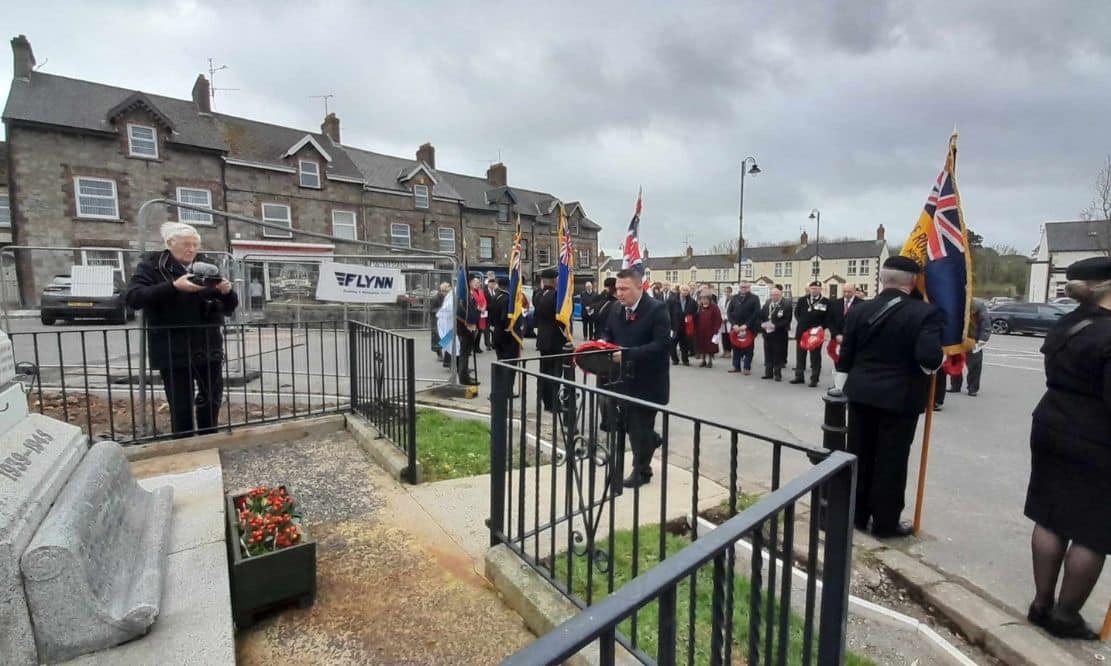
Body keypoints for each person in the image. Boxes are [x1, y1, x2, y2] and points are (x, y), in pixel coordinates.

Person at [1024, 257, 1111, 640]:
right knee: (1092, 529)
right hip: (1096, 434)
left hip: (1051, 422)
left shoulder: (1066, 322)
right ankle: (1065, 615)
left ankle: (1041, 603)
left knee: (1051, 515)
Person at [837, 256, 943, 538]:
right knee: (891, 462)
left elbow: (845, 356)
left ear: (883, 279)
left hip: (860, 393)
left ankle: (857, 515)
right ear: (913, 281)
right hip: (900, 398)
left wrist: (841, 387)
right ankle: (885, 523)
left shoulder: (860, 310)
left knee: (859, 454)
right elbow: (929, 360)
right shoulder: (925, 313)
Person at [126, 222, 238, 438]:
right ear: (169, 244)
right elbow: (134, 298)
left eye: (195, 244)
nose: (192, 249)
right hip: (172, 347)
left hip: (208, 344)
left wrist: (227, 292)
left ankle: (209, 437)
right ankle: (184, 442)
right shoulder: (152, 266)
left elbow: (230, 307)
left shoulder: (207, 265)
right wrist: (174, 286)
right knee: (180, 402)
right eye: (186, 244)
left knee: (212, 396)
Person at [597, 269, 670, 488]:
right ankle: (652, 440)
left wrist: (628, 354)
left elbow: (661, 345)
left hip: (647, 381)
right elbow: (607, 333)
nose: (619, 293)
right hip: (620, 380)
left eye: (624, 289)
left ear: (640, 287)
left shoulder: (657, 309)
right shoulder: (616, 309)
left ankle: (642, 472)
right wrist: (601, 344)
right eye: (617, 289)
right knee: (629, 424)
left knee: (639, 427)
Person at [534, 268, 564, 410]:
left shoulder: (537, 294)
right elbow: (561, 318)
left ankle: (544, 400)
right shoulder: (556, 296)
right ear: (554, 280)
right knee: (555, 373)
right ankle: (553, 403)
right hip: (555, 339)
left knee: (544, 371)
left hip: (543, 338)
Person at [948, 297, 991, 396]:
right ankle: (955, 385)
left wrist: (982, 339)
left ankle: (972, 388)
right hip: (956, 338)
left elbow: (985, 323)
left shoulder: (978, 305)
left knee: (974, 365)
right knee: (955, 363)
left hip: (972, 339)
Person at [792, 281, 829, 387]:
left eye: (816, 288)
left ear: (820, 289)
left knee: (815, 357)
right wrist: (802, 323)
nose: (814, 290)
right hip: (802, 332)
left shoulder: (825, 302)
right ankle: (799, 376)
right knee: (800, 356)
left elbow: (827, 317)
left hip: (816, 334)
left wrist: (821, 328)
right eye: (812, 288)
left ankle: (814, 379)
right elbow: (797, 313)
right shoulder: (803, 300)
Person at [488, 276, 519, 397]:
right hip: (506, 335)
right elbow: (504, 318)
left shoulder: (496, 296)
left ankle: (498, 389)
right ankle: (507, 391)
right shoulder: (507, 299)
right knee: (509, 364)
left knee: (500, 362)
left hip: (497, 333)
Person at [827, 283, 861, 392]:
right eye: (844, 291)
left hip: (852, 340)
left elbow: (862, 323)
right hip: (837, 338)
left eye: (849, 292)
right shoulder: (835, 303)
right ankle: (837, 385)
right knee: (837, 362)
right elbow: (830, 320)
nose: (846, 294)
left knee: (851, 363)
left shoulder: (862, 304)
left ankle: (850, 385)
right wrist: (836, 334)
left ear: (854, 291)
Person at [759, 285, 792, 381]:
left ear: (780, 294)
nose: (774, 297)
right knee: (768, 353)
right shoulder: (767, 303)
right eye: (772, 295)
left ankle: (777, 374)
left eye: (776, 295)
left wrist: (775, 326)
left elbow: (787, 320)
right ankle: (768, 373)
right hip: (767, 333)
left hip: (779, 334)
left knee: (777, 354)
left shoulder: (786, 304)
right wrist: (762, 324)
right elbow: (762, 316)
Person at [727, 280, 761, 375]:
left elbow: (756, 313)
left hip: (749, 328)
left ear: (749, 288)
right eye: (742, 287)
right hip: (736, 328)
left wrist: (746, 325)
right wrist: (734, 324)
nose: (743, 289)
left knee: (748, 349)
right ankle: (736, 366)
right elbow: (729, 312)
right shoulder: (734, 298)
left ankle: (746, 368)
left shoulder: (755, 298)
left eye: (745, 287)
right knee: (736, 348)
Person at [455, 278, 480, 385]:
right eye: (472, 281)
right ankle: (464, 378)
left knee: (465, 353)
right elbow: (460, 311)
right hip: (465, 329)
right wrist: (469, 321)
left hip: (467, 328)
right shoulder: (462, 294)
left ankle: (465, 376)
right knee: (464, 354)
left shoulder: (467, 294)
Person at [667, 284, 697, 366]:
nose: (685, 292)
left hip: (686, 326)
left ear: (689, 291)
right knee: (672, 343)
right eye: (683, 290)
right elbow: (667, 313)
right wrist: (669, 324)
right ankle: (674, 359)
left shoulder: (692, 301)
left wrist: (691, 318)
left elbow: (695, 313)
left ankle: (685, 360)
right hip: (674, 326)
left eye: (687, 290)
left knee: (685, 344)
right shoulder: (672, 300)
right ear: (680, 290)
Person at [693, 293, 722, 368]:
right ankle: (703, 360)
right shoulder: (699, 307)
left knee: (710, 346)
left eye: (705, 299)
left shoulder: (714, 307)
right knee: (701, 345)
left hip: (711, 330)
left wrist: (716, 329)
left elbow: (718, 319)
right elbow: (696, 318)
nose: (704, 300)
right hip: (700, 330)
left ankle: (710, 361)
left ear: (709, 299)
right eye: (702, 299)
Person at [430, 282, 449, 361]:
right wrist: (441, 309)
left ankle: (447, 354)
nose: (444, 293)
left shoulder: (449, 297)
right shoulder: (435, 298)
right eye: (443, 291)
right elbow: (431, 310)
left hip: (446, 320)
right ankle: (439, 354)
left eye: (446, 291)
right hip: (436, 320)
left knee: (446, 337)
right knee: (437, 338)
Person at [720, 286, 734, 358]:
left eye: (728, 292)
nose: (726, 293)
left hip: (729, 321)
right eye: (725, 291)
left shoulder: (733, 300)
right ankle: (724, 351)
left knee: (729, 336)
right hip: (723, 320)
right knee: (723, 336)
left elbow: (733, 311)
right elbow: (719, 309)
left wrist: (727, 318)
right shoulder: (722, 299)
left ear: (731, 292)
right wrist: (722, 318)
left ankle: (729, 351)